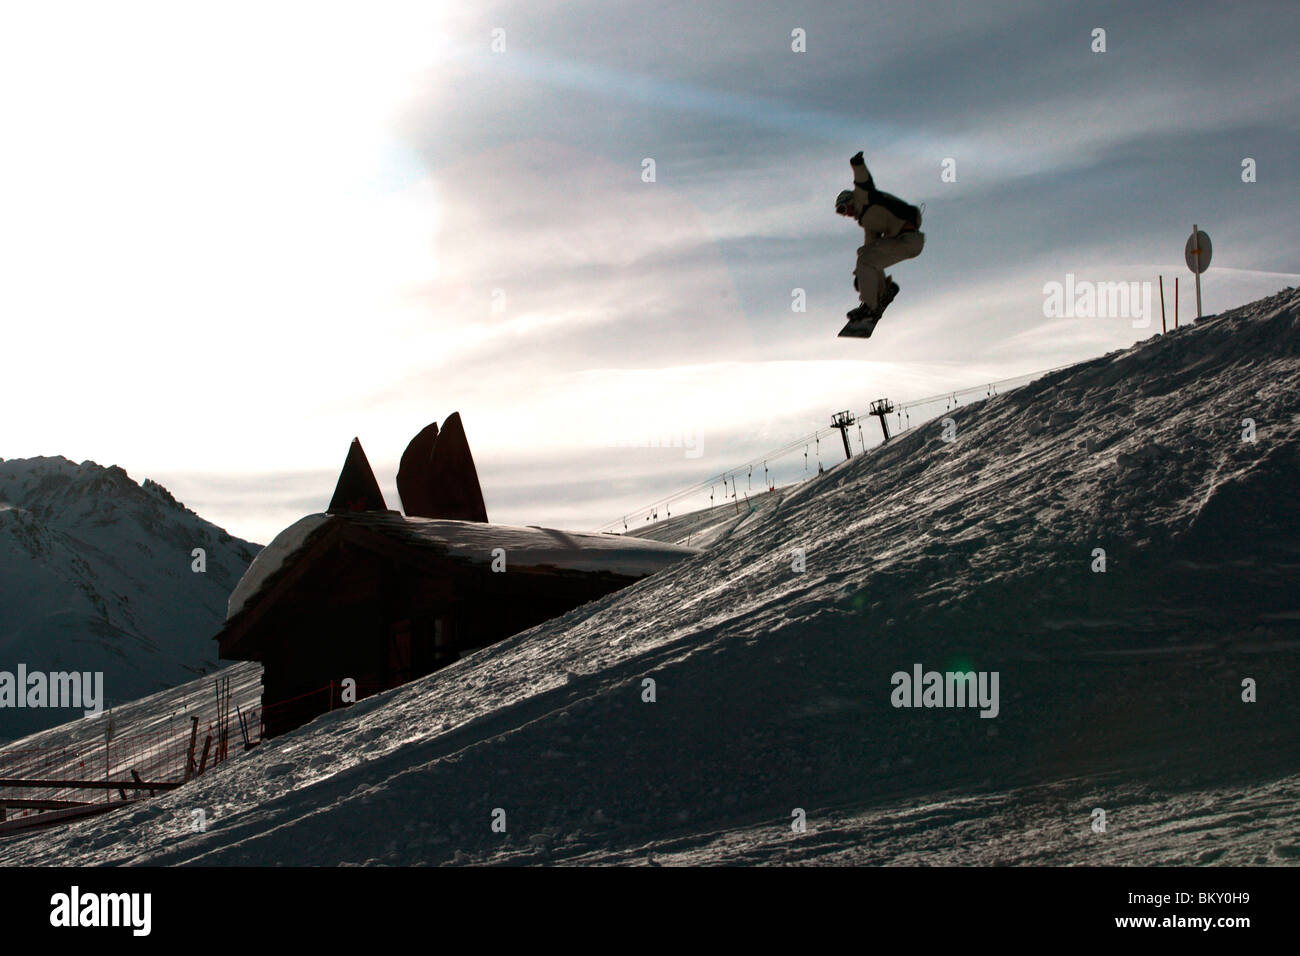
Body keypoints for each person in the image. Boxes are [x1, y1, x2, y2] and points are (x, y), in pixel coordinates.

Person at [836, 151, 925, 325]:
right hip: (902, 241)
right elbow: (869, 249)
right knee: (865, 256)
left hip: (908, 239)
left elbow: (862, 181)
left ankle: (871, 306)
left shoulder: (864, 198)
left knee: (866, 261)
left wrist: (857, 164)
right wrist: (860, 277)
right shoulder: (867, 222)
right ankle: (883, 291)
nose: (846, 215)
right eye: (841, 213)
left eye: (843, 209)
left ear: (850, 201)